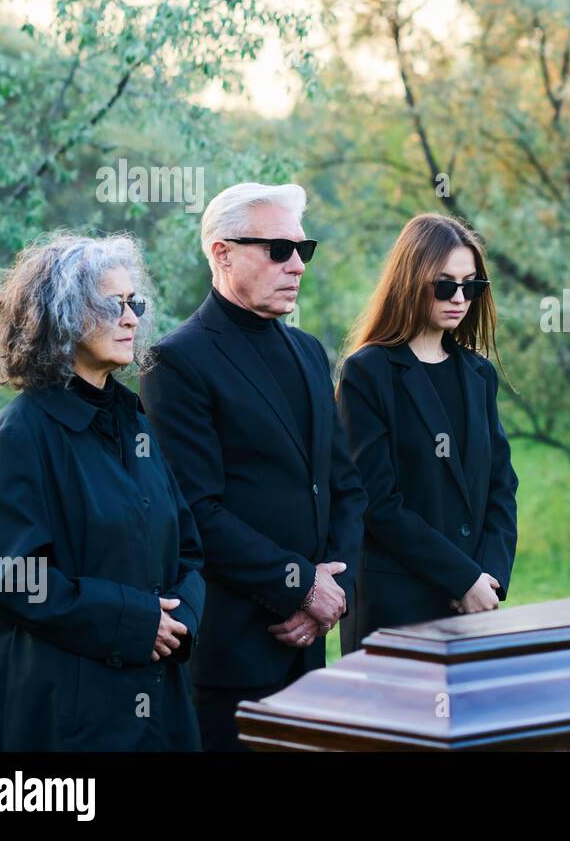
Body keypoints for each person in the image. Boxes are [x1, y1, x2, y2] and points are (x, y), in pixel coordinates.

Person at [138, 182, 365, 751]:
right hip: (233, 650)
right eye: (279, 250)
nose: (297, 266)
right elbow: (196, 512)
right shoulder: (176, 361)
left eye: (303, 250)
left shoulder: (310, 351)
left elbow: (345, 488)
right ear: (222, 252)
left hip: (311, 645)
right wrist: (297, 587)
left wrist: (329, 594)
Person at [0, 232, 204, 750]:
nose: (131, 318)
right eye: (112, 304)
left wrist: (177, 621)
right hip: (67, 720)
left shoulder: (134, 422)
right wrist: (134, 621)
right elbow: (7, 576)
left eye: (134, 303)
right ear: (62, 314)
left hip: (157, 708)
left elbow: (188, 547)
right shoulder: (25, 430)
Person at [337, 213, 518, 652]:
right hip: (396, 607)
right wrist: (462, 576)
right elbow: (379, 504)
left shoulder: (478, 374)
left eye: (471, 286)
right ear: (411, 280)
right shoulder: (368, 373)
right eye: (445, 285)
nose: (460, 298)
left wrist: (487, 578)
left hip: (475, 606)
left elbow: (501, 486)